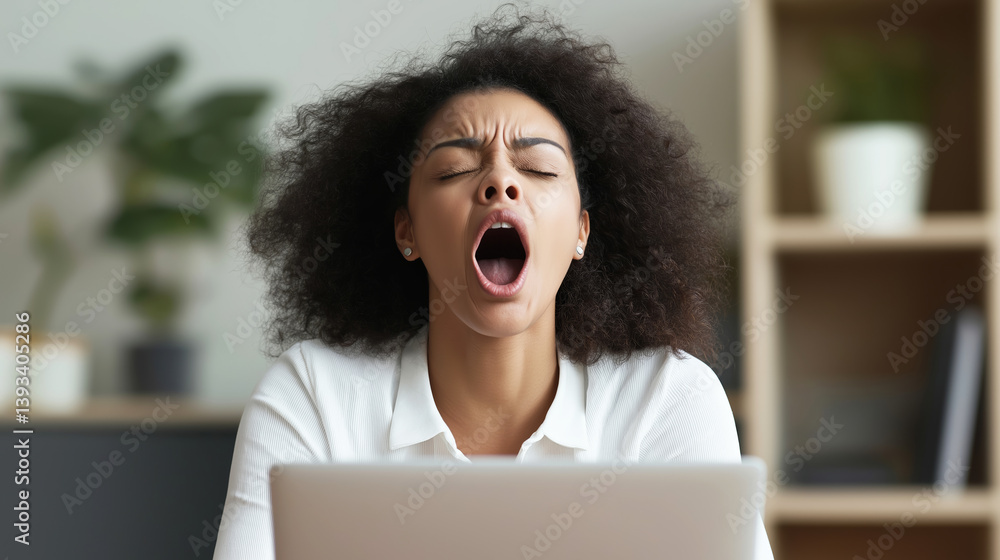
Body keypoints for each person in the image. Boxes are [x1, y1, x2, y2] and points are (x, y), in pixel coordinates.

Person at [214, 4, 773, 559]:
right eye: (455, 169)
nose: (500, 181)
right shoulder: (314, 398)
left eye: (539, 169)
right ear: (407, 231)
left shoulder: (666, 400)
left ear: (581, 232)